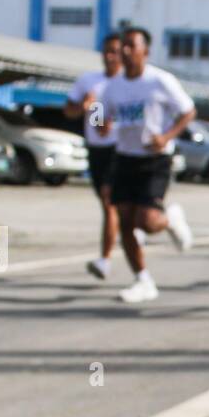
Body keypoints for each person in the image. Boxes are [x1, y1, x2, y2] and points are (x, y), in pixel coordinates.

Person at [98, 27, 196, 304]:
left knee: (148, 222)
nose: (125, 52)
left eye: (131, 46)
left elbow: (189, 111)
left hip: (155, 159)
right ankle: (143, 280)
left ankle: (171, 218)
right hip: (125, 157)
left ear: (145, 51)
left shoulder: (160, 81)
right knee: (125, 221)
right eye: (122, 47)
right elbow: (101, 114)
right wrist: (100, 124)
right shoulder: (113, 85)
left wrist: (166, 136)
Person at [66, 32, 123, 282]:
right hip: (96, 150)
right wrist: (83, 106)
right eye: (106, 50)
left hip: (120, 150)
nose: (110, 56)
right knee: (109, 205)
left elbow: (105, 124)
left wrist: (101, 115)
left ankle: (105, 260)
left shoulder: (126, 83)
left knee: (109, 201)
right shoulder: (89, 81)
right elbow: (69, 111)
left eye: (115, 51)